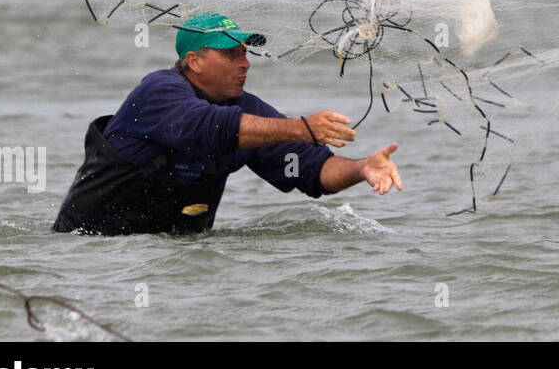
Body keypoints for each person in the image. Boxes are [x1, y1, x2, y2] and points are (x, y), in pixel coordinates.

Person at [53, 12, 402, 235]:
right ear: (194, 61)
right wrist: (300, 127)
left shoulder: (248, 110)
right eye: (231, 54)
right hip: (91, 254)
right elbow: (207, 126)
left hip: (176, 263)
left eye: (246, 53)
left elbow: (313, 169)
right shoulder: (159, 91)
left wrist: (362, 168)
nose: (245, 63)